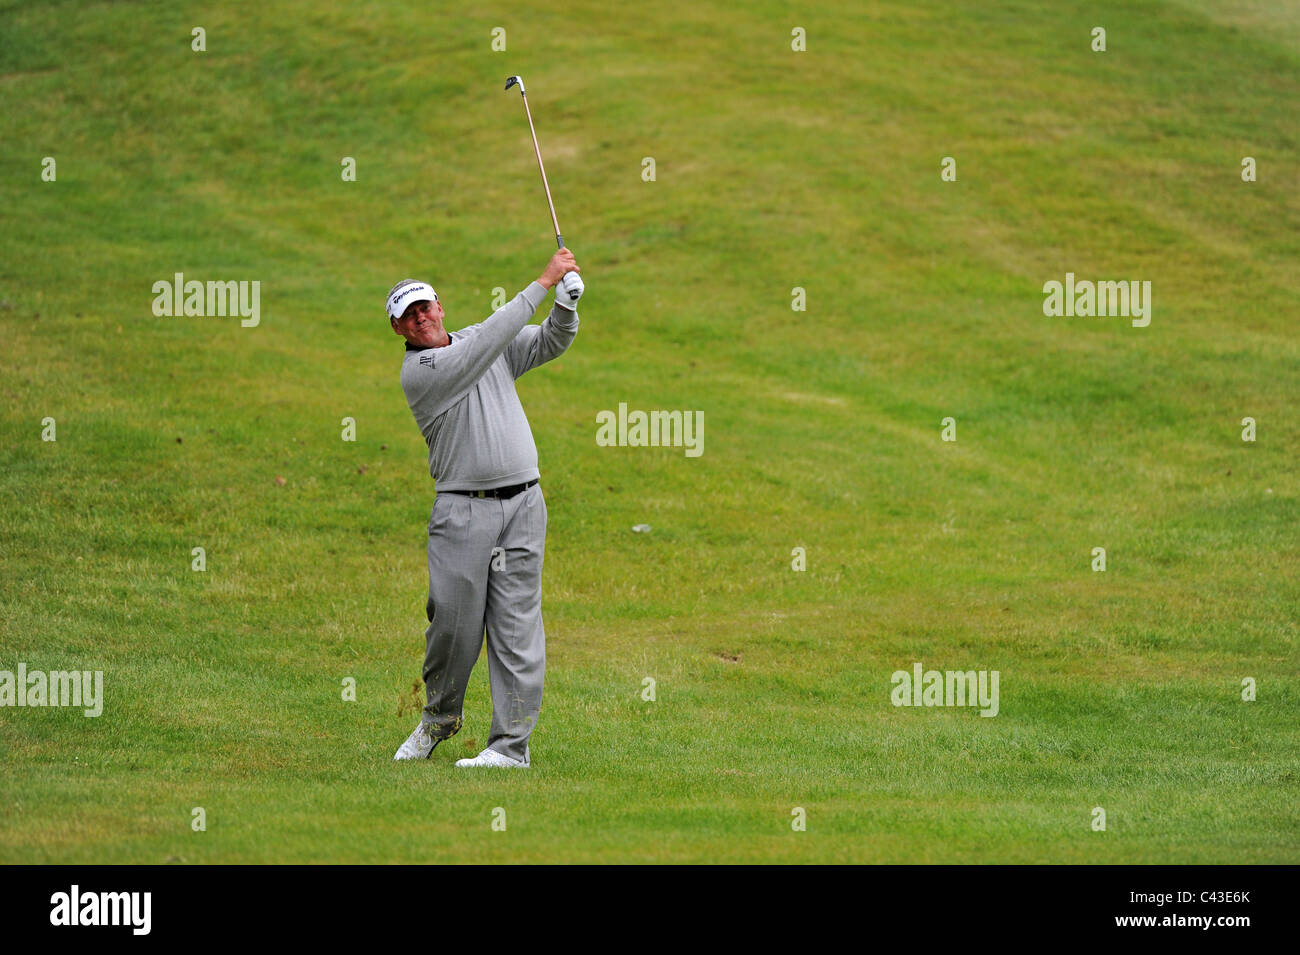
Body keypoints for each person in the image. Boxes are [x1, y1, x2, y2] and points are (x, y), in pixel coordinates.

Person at [390, 248, 583, 768]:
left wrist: (564, 307)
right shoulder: (424, 371)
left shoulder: (482, 342)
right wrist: (543, 282)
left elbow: (547, 341)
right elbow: (493, 339)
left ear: (440, 307)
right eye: (409, 315)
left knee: (518, 627)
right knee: (452, 624)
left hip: (523, 504)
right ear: (399, 330)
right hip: (461, 513)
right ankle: (438, 719)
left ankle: (510, 749)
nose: (421, 317)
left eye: (425, 306)